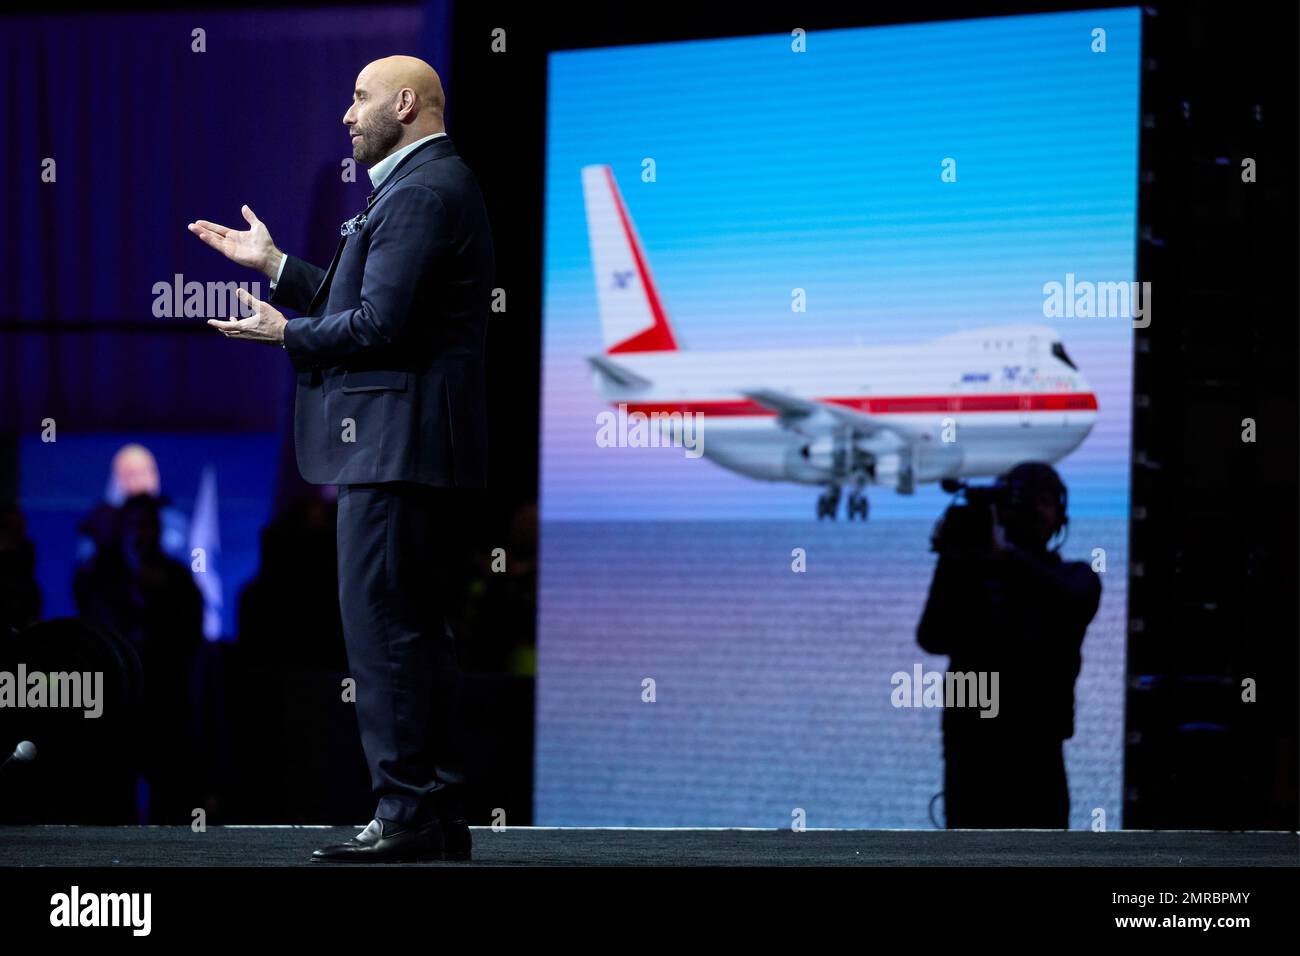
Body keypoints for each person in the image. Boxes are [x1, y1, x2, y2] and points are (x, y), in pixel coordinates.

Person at [189, 55, 492, 861]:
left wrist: (282, 332)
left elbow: (379, 327)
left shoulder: (423, 191)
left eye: (359, 98)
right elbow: (367, 303)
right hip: (409, 449)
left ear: (404, 103)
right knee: (411, 631)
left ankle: (408, 814)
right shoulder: (420, 186)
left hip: (397, 451)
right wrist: (276, 267)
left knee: (386, 631)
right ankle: (428, 812)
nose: (344, 114)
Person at [917, 462, 1101, 829]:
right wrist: (952, 561)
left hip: (1035, 761)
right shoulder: (976, 578)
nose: (1034, 512)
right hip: (970, 761)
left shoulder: (1075, 578)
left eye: (1044, 502)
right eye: (1025, 502)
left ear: (1060, 517)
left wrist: (1004, 556)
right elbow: (932, 636)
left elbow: (1067, 599)